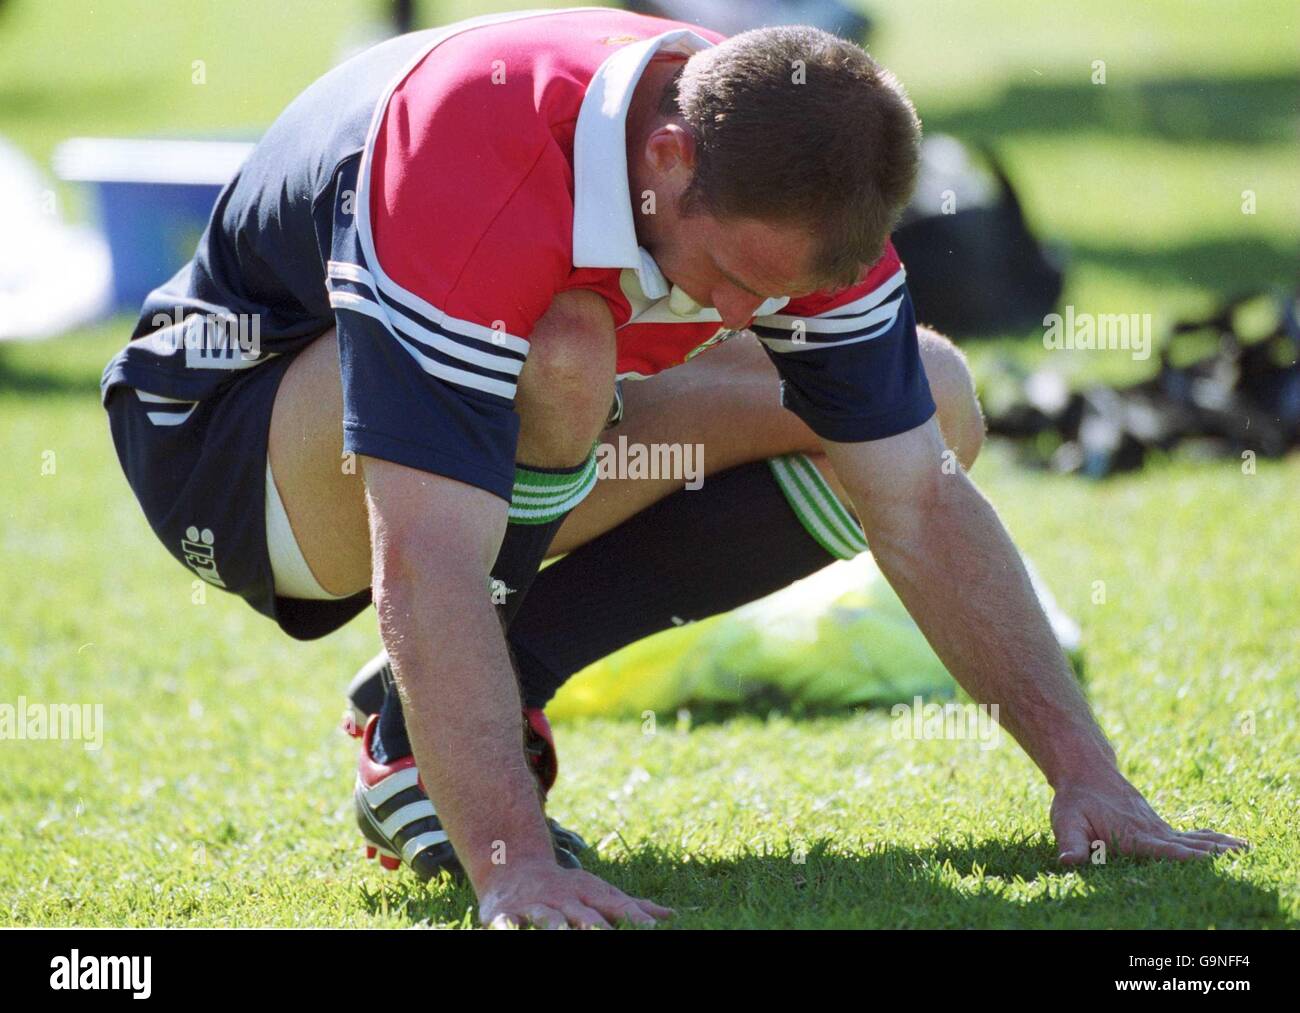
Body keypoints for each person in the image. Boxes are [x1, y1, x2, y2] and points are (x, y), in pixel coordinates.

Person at [102, 7, 1246, 930]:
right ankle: (431, 753)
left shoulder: (787, 166)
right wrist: (512, 861)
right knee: (563, 353)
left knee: (929, 404)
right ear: (666, 158)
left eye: (774, 293)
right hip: (228, 450)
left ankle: (442, 708)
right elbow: (428, 551)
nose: (742, 315)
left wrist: (1087, 773)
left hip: (467, 420)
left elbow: (915, 496)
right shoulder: (472, 150)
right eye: (733, 275)